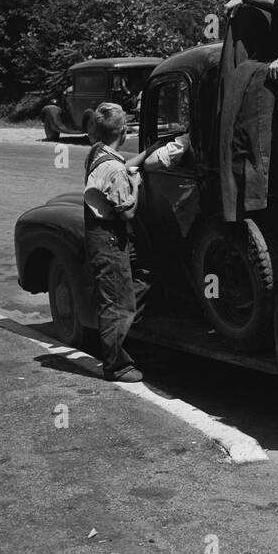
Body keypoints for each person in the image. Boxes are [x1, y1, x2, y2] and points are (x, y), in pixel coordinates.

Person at [83, 102, 186, 381]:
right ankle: (117, 365)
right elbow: (127, 211)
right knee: (118, 303)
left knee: (129, 287)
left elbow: (121, 165)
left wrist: (148, 152)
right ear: (125, 131)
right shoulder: (116, 171)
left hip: (100, 235)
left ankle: (118, 338)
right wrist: (137, 186)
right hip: (110, 236)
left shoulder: (98, 153)